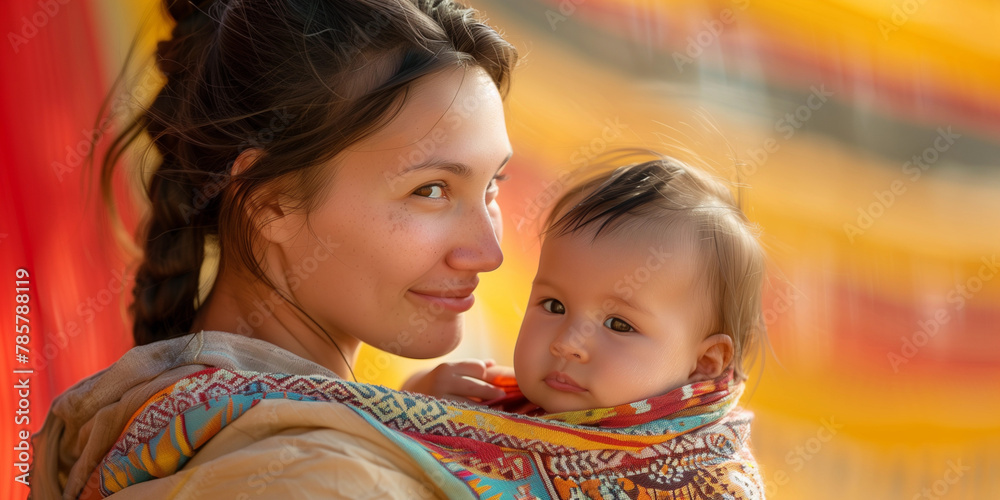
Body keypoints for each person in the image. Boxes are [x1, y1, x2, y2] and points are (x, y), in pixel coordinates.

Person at [31, 0, 517, 498]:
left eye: (493, 185)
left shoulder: (161, 418)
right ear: (272, 204)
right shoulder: (323, 480)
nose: (488, 253)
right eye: (431, 189)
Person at [403, 153, 768, 497]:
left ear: (705, 362)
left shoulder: (715, 479)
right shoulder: (498, 408)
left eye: (618, 324)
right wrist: (421, 407)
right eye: (554, 305)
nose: (567, 343)